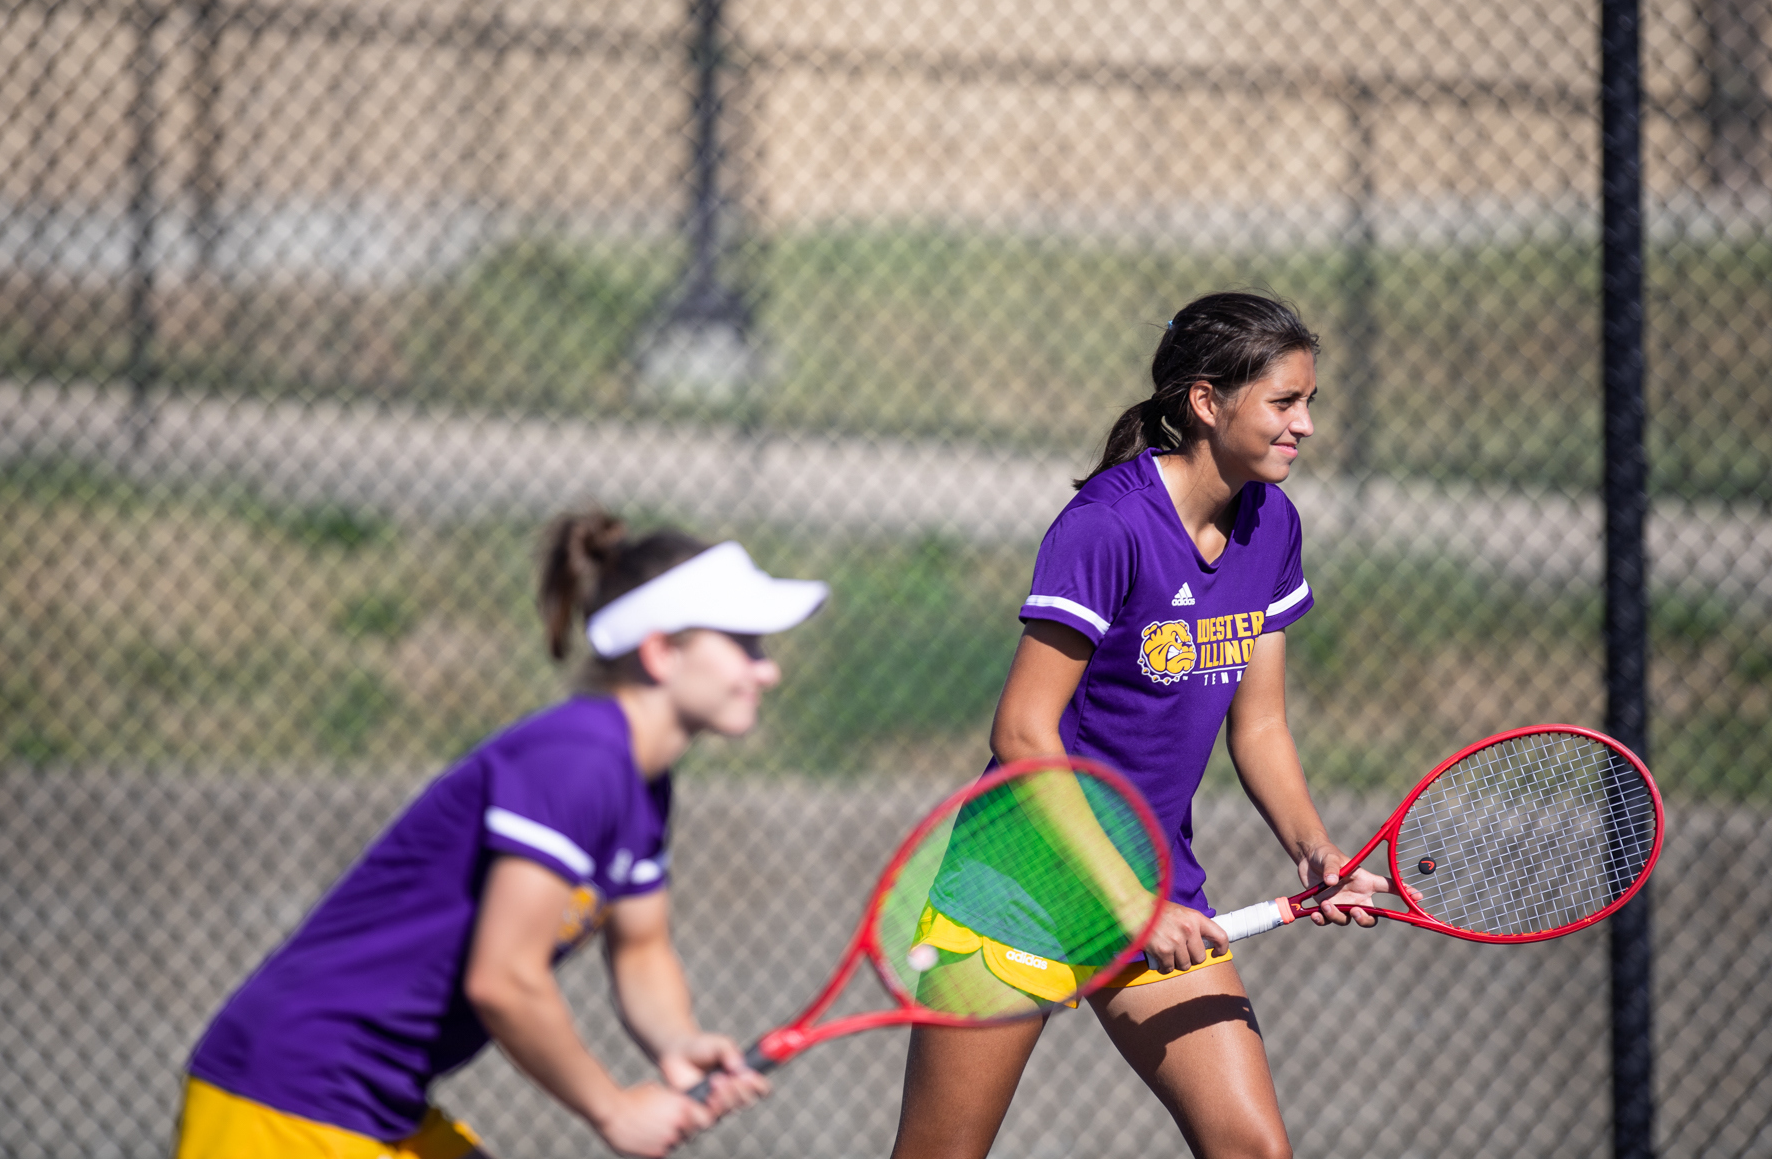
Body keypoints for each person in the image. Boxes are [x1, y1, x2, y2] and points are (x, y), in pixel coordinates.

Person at [890, 292, 1388, 1159]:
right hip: (1023, 894)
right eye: (1284, 402)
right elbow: (1022, 735)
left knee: (1253, 1150)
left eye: (1310, 402)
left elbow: (1260, 725)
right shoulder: (1106, 527)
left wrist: (1315, 851)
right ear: (1206, 402)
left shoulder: (1271, 524)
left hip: (1158, 890)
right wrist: (1128, 904)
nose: (1305, 425)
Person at [176, 510, 827, 1159]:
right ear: (662, 652)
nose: (765, 670)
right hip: (286, 1097)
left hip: (370, 1100)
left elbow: (640, 948)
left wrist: (676, 1042)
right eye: (744, 645)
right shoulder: (578, 759)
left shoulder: (643, 784)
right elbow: (505, 980)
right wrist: (613, 1109)